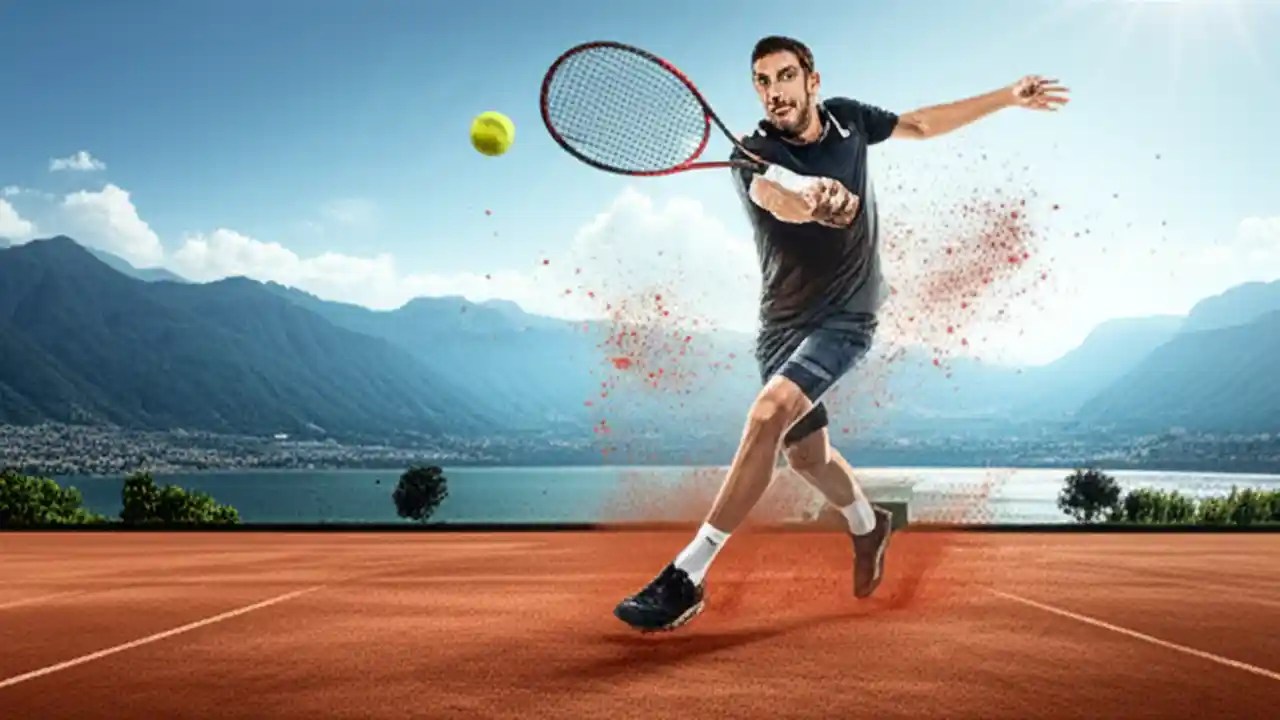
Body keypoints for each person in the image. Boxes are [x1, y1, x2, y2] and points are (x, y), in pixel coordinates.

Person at [613, 35, 1069, 632]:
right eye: (762, 81)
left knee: (766, 414)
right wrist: (813, 199)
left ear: (811, 79)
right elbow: (775, 198)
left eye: (784, 76)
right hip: (780, 324)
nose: (774, 91)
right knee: (808, 457)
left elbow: (922, 125)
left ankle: (687, 575)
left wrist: (1008, 96)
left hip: (848, 316)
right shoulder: (748, 154)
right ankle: (868, 524)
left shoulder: (850, 121)